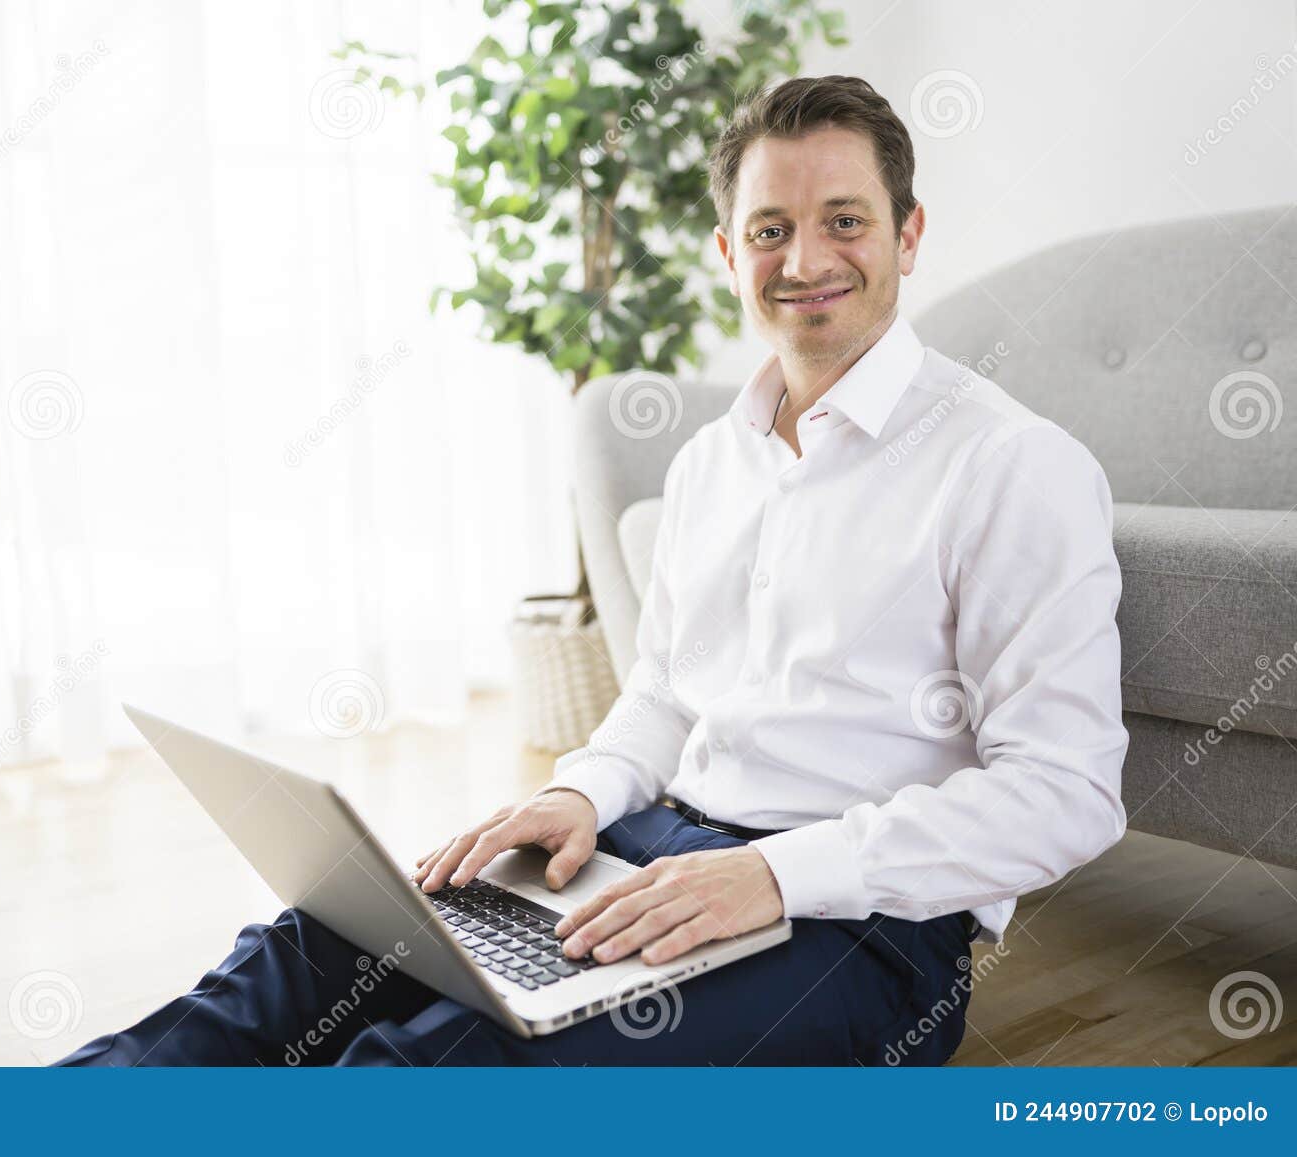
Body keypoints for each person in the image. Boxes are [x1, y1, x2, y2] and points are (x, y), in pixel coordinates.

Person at [58, 74, 1128, 1067]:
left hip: (859, 932)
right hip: (644, 848)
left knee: (426, 1064)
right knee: (305, 951)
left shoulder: (1009, 465)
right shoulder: (712, 459)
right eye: (770, 229)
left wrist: (769, 872)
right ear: (727, 252)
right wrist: (577, 789)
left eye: (842, 220)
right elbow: (663, 692)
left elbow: (1064, 793)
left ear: (908, 232)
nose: (804, 260)